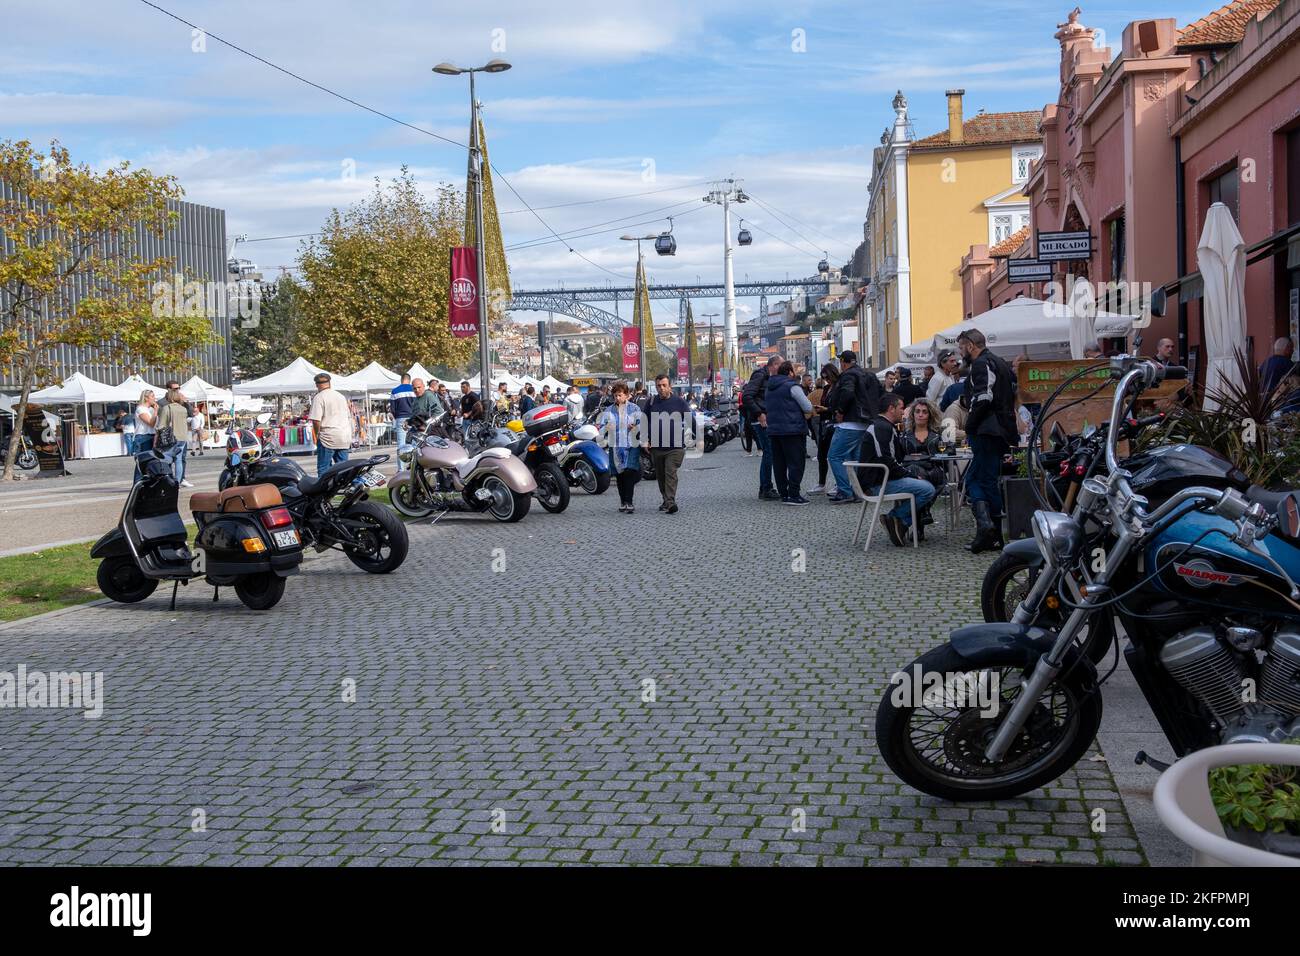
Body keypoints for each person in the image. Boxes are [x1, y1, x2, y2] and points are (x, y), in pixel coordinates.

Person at [959, 328, 1017, 553]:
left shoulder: (982, 364)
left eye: (961, 347)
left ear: (971, 346)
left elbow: (983, 397)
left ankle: (988, 529)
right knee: (980, 478)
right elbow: (1013, 390)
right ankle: (991, 531)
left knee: (980, 480)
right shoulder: (1000, 362)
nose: (960, 352)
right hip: (999, 429)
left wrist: (970, 424)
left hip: (987, 430)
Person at [859, 393, 937, 545]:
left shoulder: (883, 426)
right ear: (891, 409)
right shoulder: (882, 428)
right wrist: (909, 475)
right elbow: (887, 460)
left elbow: (894, 458)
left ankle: (898, 523)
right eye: (901, 408)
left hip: (877, 479)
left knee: (922, 482)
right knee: (928, 489)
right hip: (876, 484)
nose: (904, 412)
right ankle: (896, 518)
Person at [826, 350, 884, 503]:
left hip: (850, 422)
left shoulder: (848, 375)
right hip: (865, 422)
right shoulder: (869, 375)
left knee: (835, 456)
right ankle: (858, 491)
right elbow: (881, 393)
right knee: (856, 459)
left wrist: (840, 410)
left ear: (844, 361)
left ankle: (845, 491)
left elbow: (847, 392)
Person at [764, 361, 814, 505]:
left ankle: (784, 494)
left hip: (774, 431)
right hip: (792, 430)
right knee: (796, 462)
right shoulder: (792, 387)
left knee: (779, 463)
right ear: (790, 372)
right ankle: (794, 494)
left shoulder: (769, 387)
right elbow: (807, 406)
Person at [642, 374, 691, 514]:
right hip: (657, 447)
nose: (661, 388)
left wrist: (698, 437)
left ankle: (670, 502)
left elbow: (689, 420)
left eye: (664, 385)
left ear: (670, 386)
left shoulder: (679, 402)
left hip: (675, 447)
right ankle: (666, 500)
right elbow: (644, 422)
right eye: (659, 385)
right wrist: (644, 440)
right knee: (661, 476)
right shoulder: (651, 402)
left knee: (670, 473)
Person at [901, 399, 946, 527]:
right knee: (915, 470)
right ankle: (923, 513)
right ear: (913, 414)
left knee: (938, 478)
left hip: (933, 471)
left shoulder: (937, 435)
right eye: (917, 411)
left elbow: (949, 450)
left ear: (929, 415)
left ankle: (921, 513)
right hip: (914, 472)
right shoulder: (904, 436)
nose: (920, 415)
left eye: (924, 412)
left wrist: (929, 456)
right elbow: (899, 456)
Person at [742, 355, 782, 500]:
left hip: (765, 418)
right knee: (769, 452)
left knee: (768, 452)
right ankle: (766, 488)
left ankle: (765, 487)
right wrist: (759, 413)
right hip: (761, 420)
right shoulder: (760, 375)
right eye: (781, 365)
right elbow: (747, 396)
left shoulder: (767, 377)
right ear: (775, 365)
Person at [600, 381, 643, 513]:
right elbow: (601, 428)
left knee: (629, 472)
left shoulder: (635, 409)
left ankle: (629, 502)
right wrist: (607, 428)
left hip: (631, 445)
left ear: (626, 395)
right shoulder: (609, 410)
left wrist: (635, 427)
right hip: (616, 446)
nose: (617, 398)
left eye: (620, 395)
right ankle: (622, 501)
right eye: (615, 396)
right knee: (620, 474)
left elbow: (642, 424)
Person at [309, 372, 352, 475]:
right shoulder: (341, 396)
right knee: (343, 468)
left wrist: (317, 434)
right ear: (329, 383)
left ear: (316, 384)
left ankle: (324, 490)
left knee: (324, 468)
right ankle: (345, 488)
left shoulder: (319, 397)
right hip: (344, 435)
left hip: (328, 436)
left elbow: (316, 420)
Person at [807, 363, 839, 494]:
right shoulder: (826, 389)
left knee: (835, 456)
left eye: (827, 377)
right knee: (822, 455)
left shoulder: (839, 387)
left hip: (835, 424)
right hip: (824, 423)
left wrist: (827, 409)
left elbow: (839, 406)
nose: (826, 380)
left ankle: (839, 483)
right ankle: (821, 483)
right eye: (824, 377)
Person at [155, 387, 193, 487]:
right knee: (179, 460)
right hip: (182, 437)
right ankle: (177, 482)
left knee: (166, 459)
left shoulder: (167, 408)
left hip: (171, 438)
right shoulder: (183, 409)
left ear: (169, 397)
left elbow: (161, 425)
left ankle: (167, 481)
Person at [131, 389, 158, 484]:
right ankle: (137, 483)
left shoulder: (150, 409)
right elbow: (151, 423)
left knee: (150, 462)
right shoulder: (141, 409)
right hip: (143, 437)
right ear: (146, 398)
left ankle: (147, 483)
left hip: (151, 435)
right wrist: (155, 411)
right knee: (142, 462)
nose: (154, 398)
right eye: (152, 396)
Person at [390, 373, 415, 448]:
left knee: (401, 444)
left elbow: (393, 408)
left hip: (400, 418)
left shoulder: (394, 391)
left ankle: (401, 460)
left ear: (401, 380)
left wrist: (396, 416)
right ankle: (414, 459)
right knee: (414, 442)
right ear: (409, 380)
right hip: (413, 418)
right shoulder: (414, 389)